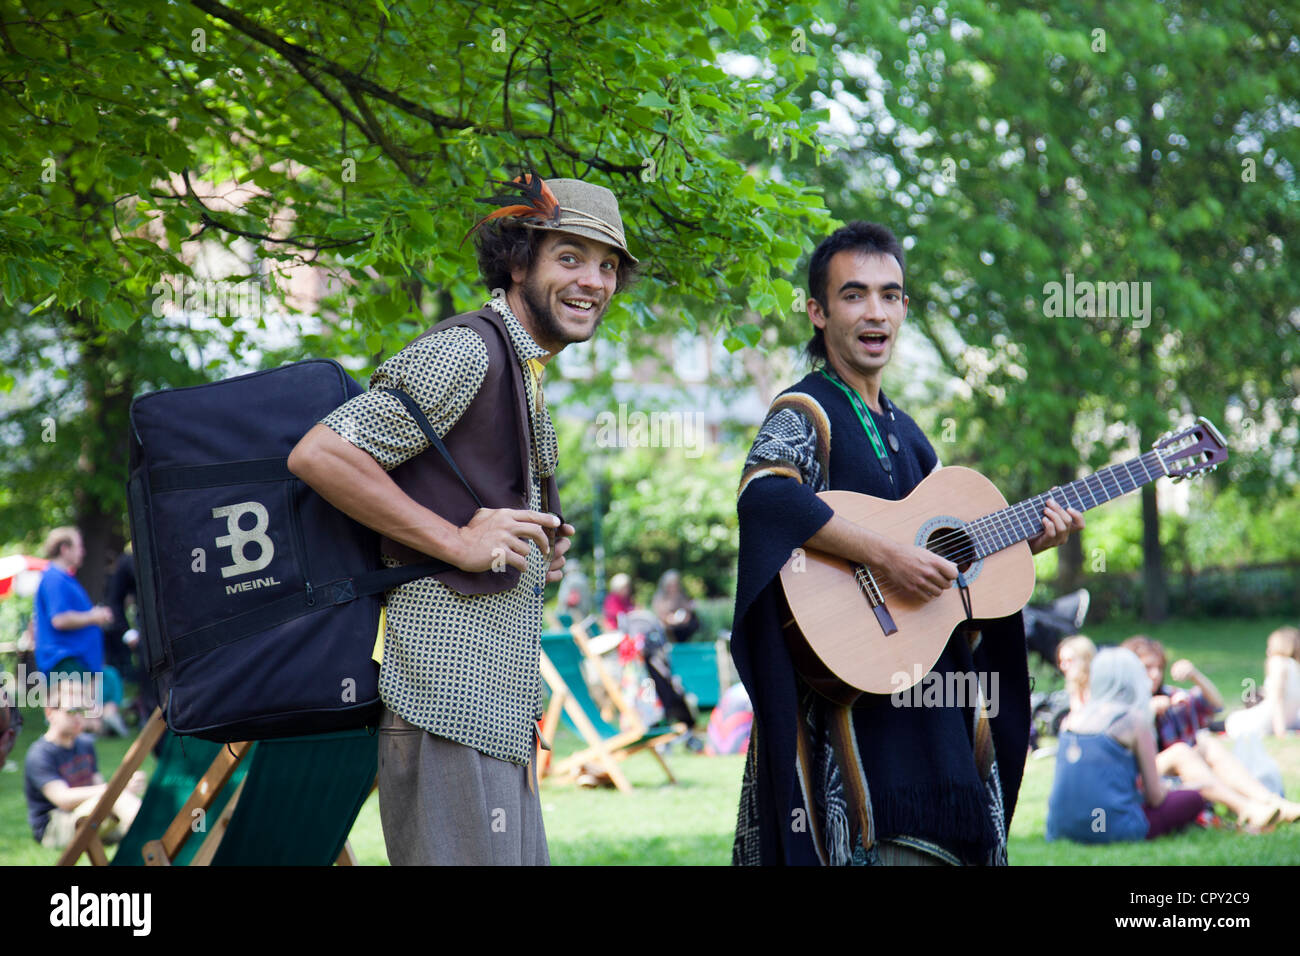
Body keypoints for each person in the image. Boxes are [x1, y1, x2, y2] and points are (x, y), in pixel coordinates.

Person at [288, 172, 638, 865]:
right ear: (518, 262)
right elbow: (322, 453)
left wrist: (533, 547)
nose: (593, 281)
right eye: (569, 257)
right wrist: (457, 541)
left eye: (606, 266)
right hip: (441, 695)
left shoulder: (522, 367)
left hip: (498, 710)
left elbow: (471, 507)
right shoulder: (469, 348)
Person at [730, 221, 1084, 866]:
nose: (876, 312)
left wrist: (1017, 548)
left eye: (890, 296)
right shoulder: (803, 410)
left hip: (931, 718)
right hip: (852, 724)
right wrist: (885, 554)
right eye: (854, 295)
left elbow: (941, 572)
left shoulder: (912, 434)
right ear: (818, 310)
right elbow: (766, 497)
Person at [1123, 635, 1298, 827]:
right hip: (1136, 775)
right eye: (1147, 668)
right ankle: (1246, 809)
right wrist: (1149, 710)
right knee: (1180, 752)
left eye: (1159, 668)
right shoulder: (1121, 697)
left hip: (1167, 770)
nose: (1155, 674)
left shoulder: (1166, 694)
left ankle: (1272, 802)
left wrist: (1194, 675)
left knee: (1208, 744)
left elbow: (1215, 705)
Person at [1046, 648, 1206, 843]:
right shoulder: (1133, 720)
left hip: (1060, 827)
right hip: (1114, 828)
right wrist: (1178, 788)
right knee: (1193, 798)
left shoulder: (1070, 719)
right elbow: (1155, 796)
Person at [23, 680, 145, 849]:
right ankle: (157, 838)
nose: (79, 717)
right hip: (55, 826)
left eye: (83, 710)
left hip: (86, 815)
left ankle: (156, 840)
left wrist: (124, 788)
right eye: (72, 711)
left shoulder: (85, 744)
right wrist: (116, 789)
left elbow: (98, 786)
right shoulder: (40, 753)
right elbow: (63, 799)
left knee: (123, 799)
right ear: (50, 712)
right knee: (120, 798)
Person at [32, 528, 128, 737]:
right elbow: (59, 619)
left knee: (81, 722)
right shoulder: (54, 579)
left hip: (75, 659)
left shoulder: (62, 578)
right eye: (79, 547)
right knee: (69, 723)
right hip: (65, 659)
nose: (83, 552)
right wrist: (94, 616)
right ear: (64, 549)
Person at [1225, 626, 1300, 740]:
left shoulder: (1278, 662)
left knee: (1233, 719)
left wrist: (1280, 731)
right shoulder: (1295, 666)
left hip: (1267, 722)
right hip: (1290, 720)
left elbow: (1277, 699)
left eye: (1270, 646)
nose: (1267, 651)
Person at [651, 569, 700, 643]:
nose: (673, 587)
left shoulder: (681, 596)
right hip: (668, 626)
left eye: (675, 585)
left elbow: (687, 610)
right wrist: (669, 619)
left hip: (683, 626)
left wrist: (686, 616)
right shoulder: (660, 597)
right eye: (671, 585)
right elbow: (660, 614)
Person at [1057, 634, 1098, 717]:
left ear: (1086, 660)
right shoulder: (1075, 690)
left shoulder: (1100, 691)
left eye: (1069, 660)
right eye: (1062, 661)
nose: (1063, 666)